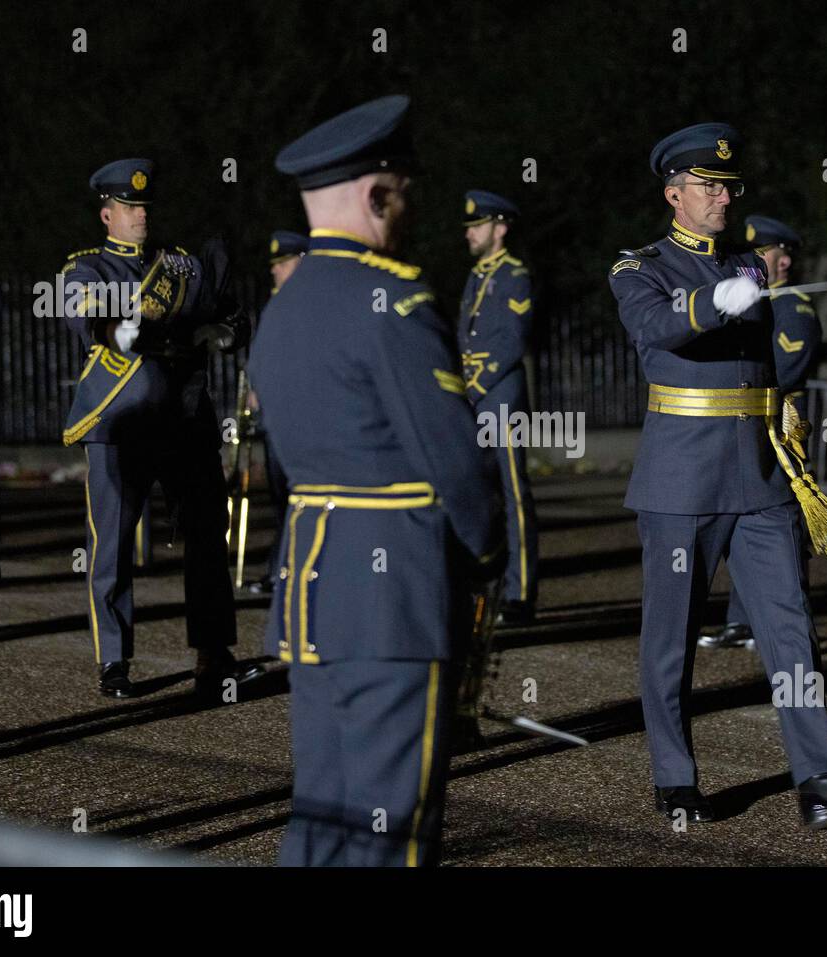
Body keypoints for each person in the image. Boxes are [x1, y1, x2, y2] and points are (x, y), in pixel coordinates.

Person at [249, 95, 504, 866]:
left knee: (321, 824)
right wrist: (490, 556)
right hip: (392, 598)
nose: (409, 209)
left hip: (312, 588)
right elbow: (455, 461)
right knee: (393, 834)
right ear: (376, 194)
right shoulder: (393, 300)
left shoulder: (285, 308)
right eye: (404, 192)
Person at [608, 123, 827, 828]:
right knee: (670, 639)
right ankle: (675, 779)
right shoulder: (640, 267)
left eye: (729, 186)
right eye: (707, 186)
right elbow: (657, 328)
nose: (723, 197)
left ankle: (820, 782)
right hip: (681, 481)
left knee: (790, 628)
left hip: (759, 475)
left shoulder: (748, 266)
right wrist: (716, 301)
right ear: (673, 193)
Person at [60, 158, 259, 699]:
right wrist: (128, 328)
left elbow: (234, 317)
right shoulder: (87, 268)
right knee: (113, 543)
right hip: (121, 422)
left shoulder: (182, 267)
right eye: (129, 207)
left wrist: (219, 332)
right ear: (107, 215)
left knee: (206, 538)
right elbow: (88, 320)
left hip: (184, 418)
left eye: (145, 205)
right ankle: (114, 662)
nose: (141, 214)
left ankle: (214, 655)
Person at [701, 215, 819, 653]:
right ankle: (742, 619)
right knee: (747, 518)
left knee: (786, 520)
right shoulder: (758, 299)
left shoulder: (793, 304)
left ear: (783, 260)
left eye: (765, 255)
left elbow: (788, 365)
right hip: (758, 417)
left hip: (785, 420)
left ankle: (788, 624)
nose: (758, 263)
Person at [459, 190, 538, 624]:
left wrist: (473, 384)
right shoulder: (477, 275)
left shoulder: (513, 274)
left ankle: (520, 593)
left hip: (500, 398)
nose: (469, 233)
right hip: (474, 398)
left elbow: (511, 340)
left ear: (500, 227)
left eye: (477, 225)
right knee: (478, 493)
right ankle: (484, 584)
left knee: (513, 495)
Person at [243, 229, 304, 596]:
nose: (276, 270)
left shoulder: (309, 303)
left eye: (284, 263)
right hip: (275, 417)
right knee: (281, 500)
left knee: (296, 499)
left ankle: (292, 570)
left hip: (297, 418)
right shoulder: (278, 302)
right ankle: (280, 569)